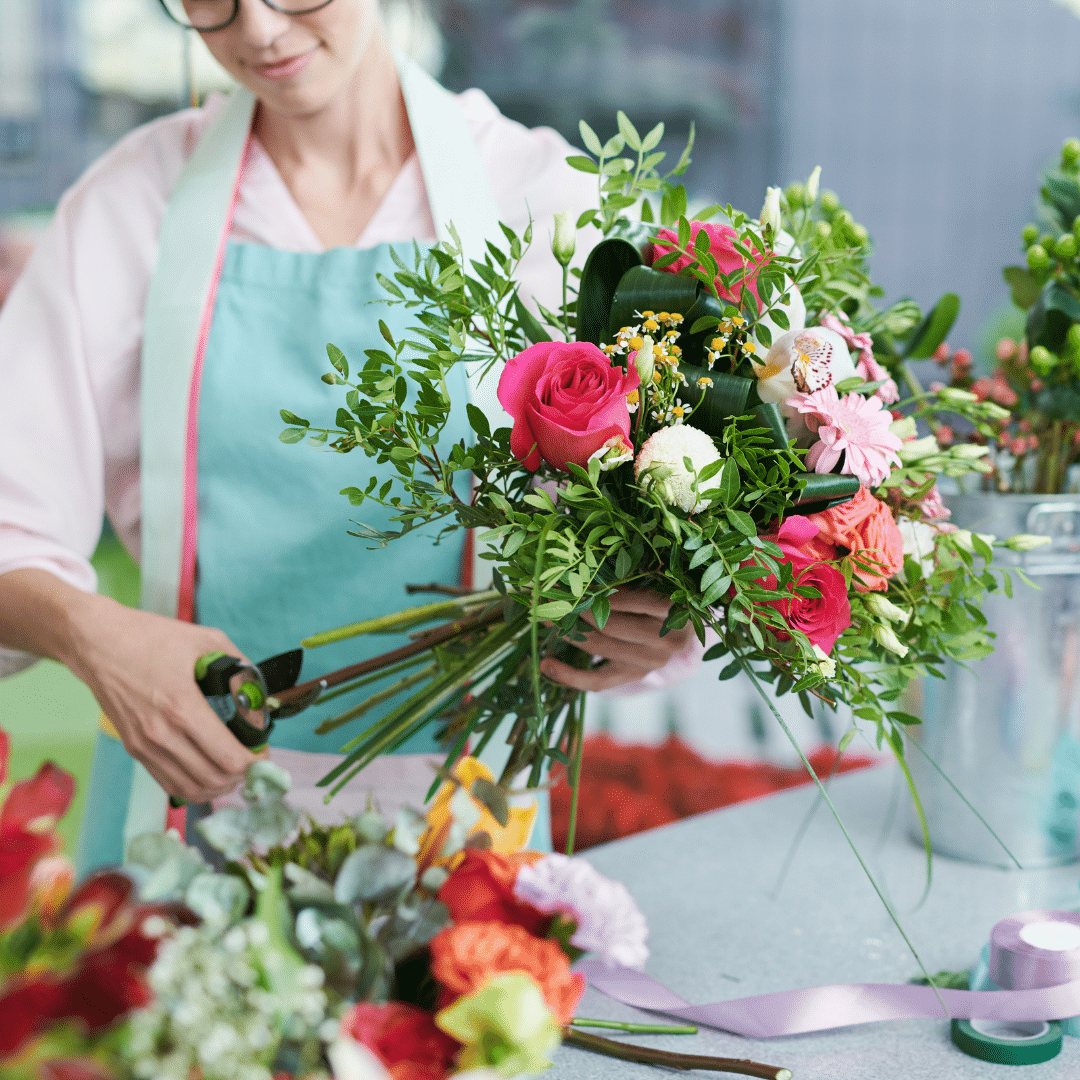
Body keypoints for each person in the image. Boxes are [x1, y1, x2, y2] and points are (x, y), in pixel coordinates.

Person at [0, 0, 701, 874]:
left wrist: (657, 619)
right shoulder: (129, 205)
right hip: (183, 809)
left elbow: (670, 498)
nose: (257, 30)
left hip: (462, 839)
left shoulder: (540, 199)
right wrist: (91, 635)